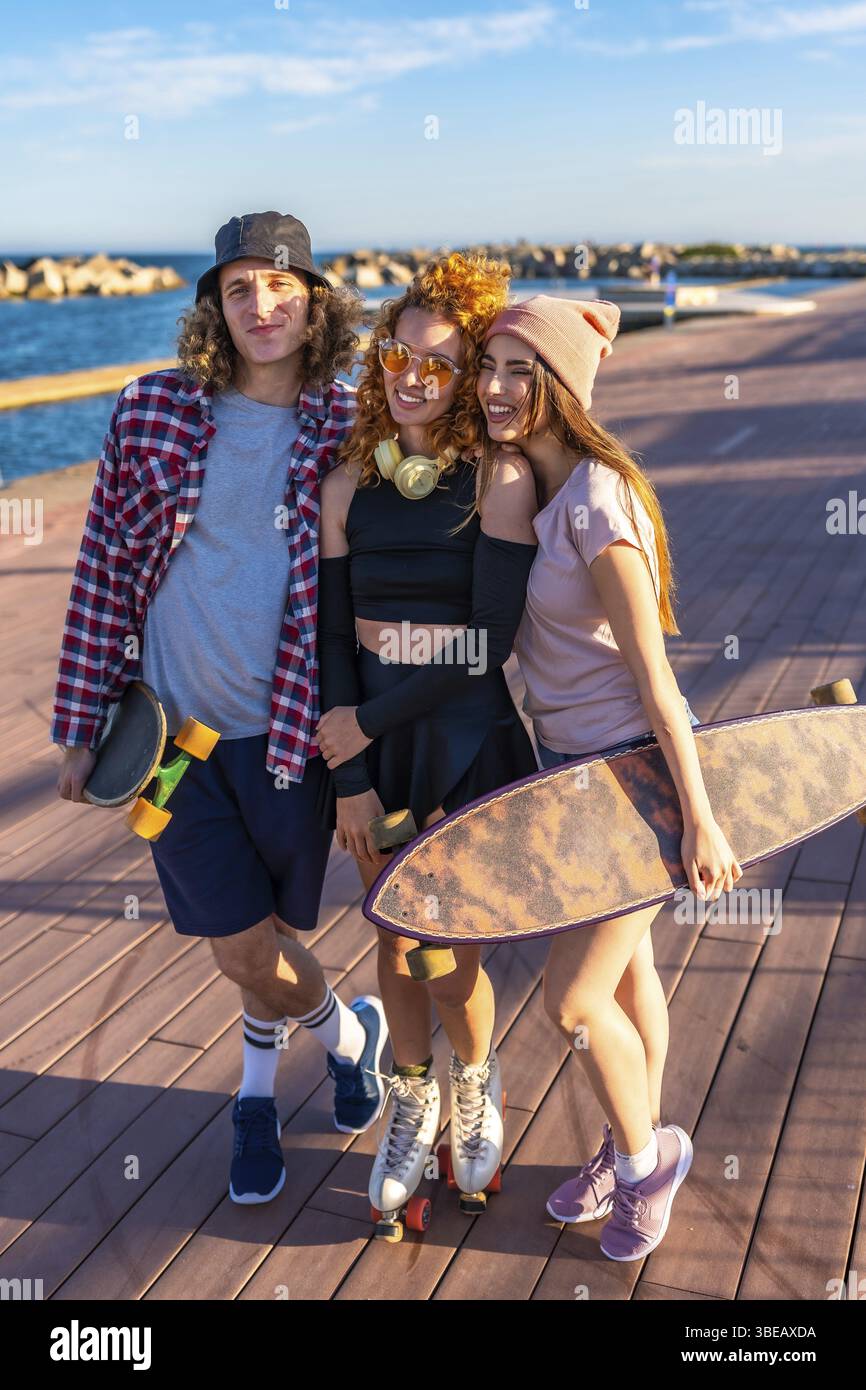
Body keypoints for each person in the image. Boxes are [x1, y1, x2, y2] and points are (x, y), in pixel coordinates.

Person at [51, 210, 389, 1207]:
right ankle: (343, 1034)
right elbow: (103, 571)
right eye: (238, 288)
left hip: (290, 737)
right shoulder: (151, 409)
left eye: (281, 286)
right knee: (239, 943)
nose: (260, 305)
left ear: (315, 303)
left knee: (276, 930)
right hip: (169, 740)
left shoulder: (346, 425)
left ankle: (254, 1088)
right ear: (214, 307)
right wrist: (79, 723)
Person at [477, 294, 743, 1260]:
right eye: (490, 367)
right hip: (571, 777)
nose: (497, 388)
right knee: (629, 979)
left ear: (562, 387)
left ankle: (646, 1161)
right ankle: (628, 1131)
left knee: (572, 1001)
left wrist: (702, 820)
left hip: (637, 782)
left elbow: (655, 675)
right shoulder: (534, 494)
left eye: (521, 371)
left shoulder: (596, 499)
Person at [314, 252, 539, 1223]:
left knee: (448, 954)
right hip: (378, 756)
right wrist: (351, 773)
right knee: (393, 941)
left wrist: (364, 719)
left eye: (438, 364)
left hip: (463, 744)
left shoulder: (499, 478)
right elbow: (334, 650)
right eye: (396, 354)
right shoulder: (342, 487)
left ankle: (475, 1085)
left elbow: (485, 644)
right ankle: (408, 1102)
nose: (411, 374)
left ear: (467, 374)